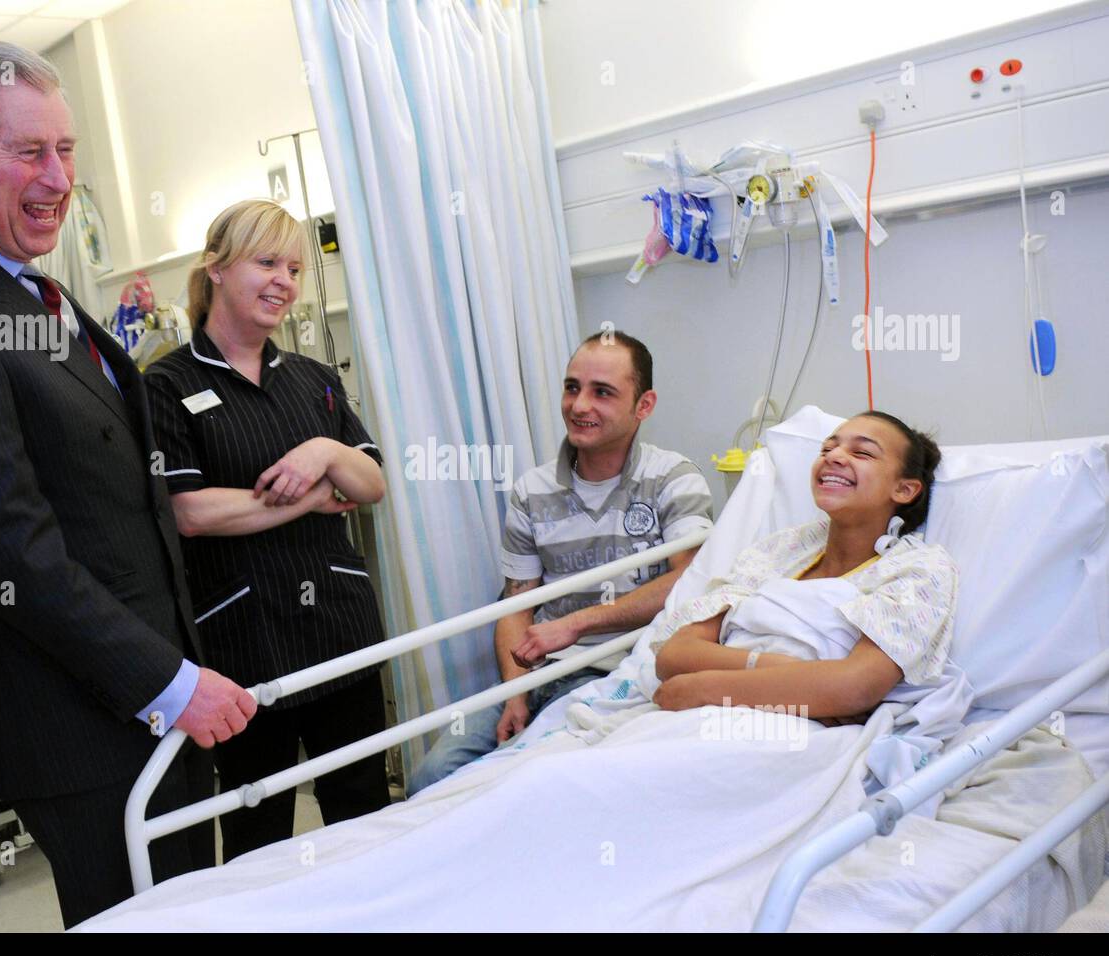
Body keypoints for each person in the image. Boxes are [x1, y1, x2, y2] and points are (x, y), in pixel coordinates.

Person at [0, 41, 256, 928]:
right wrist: (167, 683)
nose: (59, 177)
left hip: (151, 695)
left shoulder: (34, 295)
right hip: (87, 725)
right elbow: (13, 552)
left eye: (68, 150)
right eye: (31, 152)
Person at [144, 199, 392, 860]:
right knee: (258, 833)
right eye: (266, 262)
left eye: (293, 267)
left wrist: (326, 453)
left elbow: (372, 483)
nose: (284, 280)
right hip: (243, 646)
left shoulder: (313, 382)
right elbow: (190, 512)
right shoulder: (167, 386)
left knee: (364, 812)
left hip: (339, 628)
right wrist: (312, 501)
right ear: (217, 269)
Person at [408, 330, 713, 794]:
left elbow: (689, 582)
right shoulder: (532, 491)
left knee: (535, 784)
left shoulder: (673, 479)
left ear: (644, 405)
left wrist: (577, 624)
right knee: (432, 780)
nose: (579, 405)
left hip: (625, 675)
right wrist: (515, 689)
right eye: (572, 388)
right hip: (539, 671)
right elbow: (516, 604)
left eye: (602, 392)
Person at [651, 411, 958, 723]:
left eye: (862, 452)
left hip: (793, 730)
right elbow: (674, 656)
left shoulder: (917, 569)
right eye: (827, 449)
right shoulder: (779, 549)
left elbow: (853, 688)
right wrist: (787, 671)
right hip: (703, 714)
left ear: (905, 490)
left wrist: (704, 686)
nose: (834, 456)